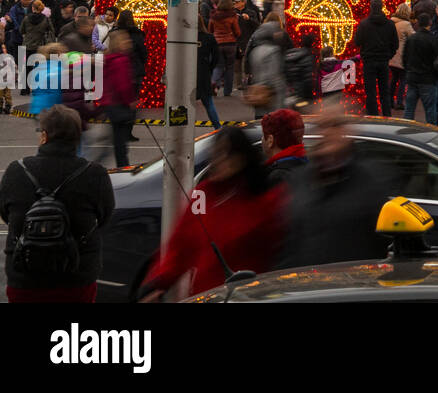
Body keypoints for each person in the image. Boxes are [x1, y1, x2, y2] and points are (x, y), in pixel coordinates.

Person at [140, 126, 286, 300]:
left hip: (248, 296)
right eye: (216, 153)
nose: (218, 160)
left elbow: (278, 255)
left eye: (226, 154)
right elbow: (180, 246)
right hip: (205, 296)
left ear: (242, 158)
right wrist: (157, 284)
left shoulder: (265, 199)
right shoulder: (203, 194)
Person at [0, 106, 114, 302]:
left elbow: (5, 214)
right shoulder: (94, 173)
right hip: (76, 277)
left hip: (25, 278)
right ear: (77, 137)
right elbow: (104, 217)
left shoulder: (16, 171)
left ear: (44, 136)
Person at [280, 114, 390, 267]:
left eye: (335, 125)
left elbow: (384, 242)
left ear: (347, 131)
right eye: (322, 126)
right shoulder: (301, 178)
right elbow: (290, 241)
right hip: (307, 284)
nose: (328, 132)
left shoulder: (372, 178)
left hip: (351, 283)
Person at [97, 32, 137, 168]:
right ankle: (123, 166)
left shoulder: (109, 59)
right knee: (120, 142)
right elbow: (123, 84)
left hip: (110, 104)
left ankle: (119, 164)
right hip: (119, 104)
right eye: (125, 41)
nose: (128, 43)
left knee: (115, 140)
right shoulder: (121, 60)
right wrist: (130, 101)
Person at [354, 0, 399, 117]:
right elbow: (395, 44)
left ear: (371, 7)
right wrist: (389, 55)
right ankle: (387, 115)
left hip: (369, 61)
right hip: (383, 61)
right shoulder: (389, 24)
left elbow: (357, 41)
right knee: (384, 91)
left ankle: (372, 116)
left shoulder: (364, 24)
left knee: (371, 92)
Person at [402, 13, 438, 124]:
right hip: (428, 79)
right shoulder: (432, 40)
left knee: (409, 109)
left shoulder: (411, 39)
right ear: (430, 23)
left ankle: (406, 132)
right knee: (430, 111)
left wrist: (408, 71)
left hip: (412, 77)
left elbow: (405, 58)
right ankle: (431, 135)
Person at [262, 108, 308, 187]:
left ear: (270, 140)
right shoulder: (308, 165)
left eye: (263, 135)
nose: (262, 139)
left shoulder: (277, 177)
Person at [208, 0, 241, 98]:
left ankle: (213, 82)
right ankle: (227, 91)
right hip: (230, 44)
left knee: (218, 66)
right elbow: (237, 31)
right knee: (230, 67)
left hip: (217, 44)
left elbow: (210, 30)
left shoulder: (213, 16)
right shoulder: (233, 16)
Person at [389, 3, 413, 111]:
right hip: (402, 56)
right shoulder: (406, 24)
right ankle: (399, 102)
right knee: (403, 80)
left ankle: (389, 100)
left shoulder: (391, 22)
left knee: (394, 79)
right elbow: (413, 36)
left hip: (391, 56)